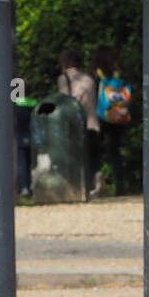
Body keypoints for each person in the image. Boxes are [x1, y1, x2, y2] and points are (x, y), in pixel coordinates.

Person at [57, 48, 102, 196]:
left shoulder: (64, 78)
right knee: (92, 158)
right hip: (93, 123)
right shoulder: (89, 78)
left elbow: (65, 101)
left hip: (75, 125)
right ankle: (94, 185)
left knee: (75, 158)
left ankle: (77, 188)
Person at [92, 46, 132, 196]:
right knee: (115, 152)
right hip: (118, 116)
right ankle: (120, 184)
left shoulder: (97, 75)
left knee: (96, 151)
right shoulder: (119, 74)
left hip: (102, 116)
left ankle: (97, 182)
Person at [13, 81, 37, 197]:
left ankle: (24, 187)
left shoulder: (16, 104)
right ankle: (32, 185)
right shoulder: (34, 103)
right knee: (32, 163)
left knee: (22, 163)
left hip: (20, 135)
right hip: (33, 136)